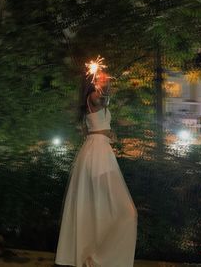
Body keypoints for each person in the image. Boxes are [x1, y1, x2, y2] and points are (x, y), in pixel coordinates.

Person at [54, 70, 138, 267]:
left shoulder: (97, 99)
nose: (105, 76)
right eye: (100, 75)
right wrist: (102, 84)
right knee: (127, 212)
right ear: (92, 81)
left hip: (100, 151)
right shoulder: (94, 96)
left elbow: (96, 127)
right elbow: (102, 102)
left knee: (105, 208)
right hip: (97, 156)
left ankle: (95, 256)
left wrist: (109, 133)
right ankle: (96, 259)